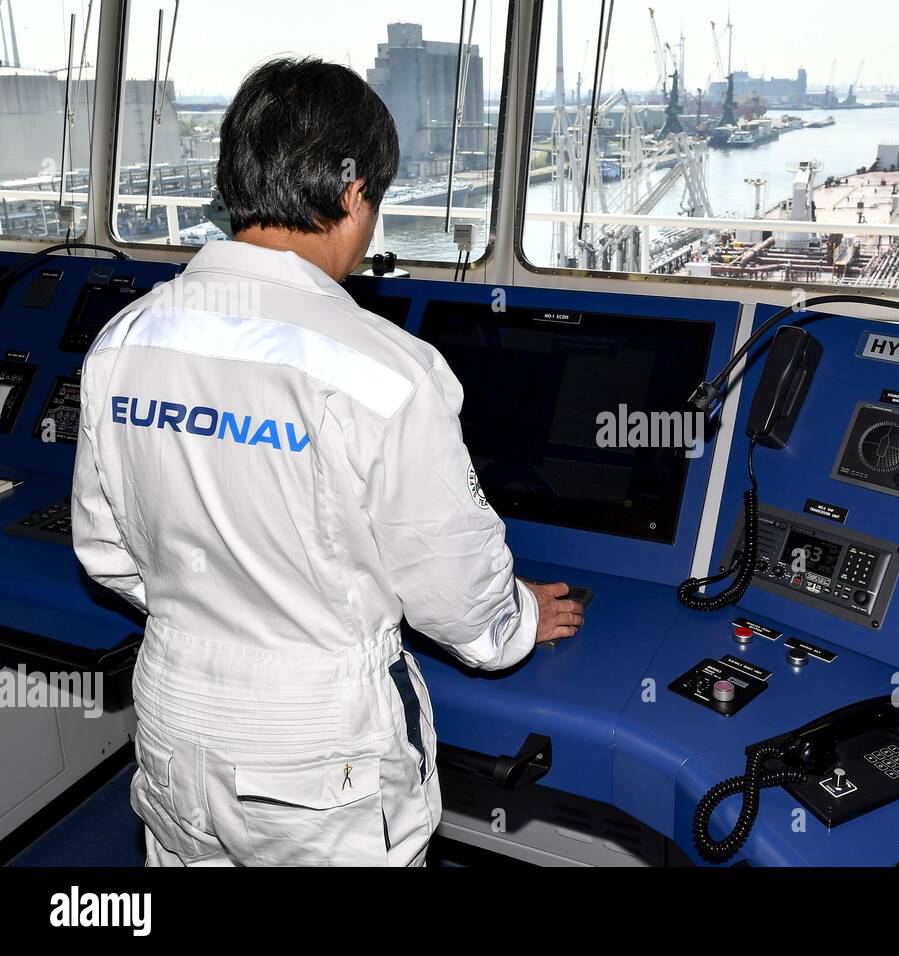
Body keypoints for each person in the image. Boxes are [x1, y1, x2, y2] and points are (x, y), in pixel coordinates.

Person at [71, 57, 584, 866]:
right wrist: (512, 624)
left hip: (174, 718)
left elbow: (107, 555)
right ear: (353, 195)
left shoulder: (126, 338)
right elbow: (456, 599)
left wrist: (223, 613)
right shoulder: (388, 371)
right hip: (319, 758)